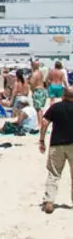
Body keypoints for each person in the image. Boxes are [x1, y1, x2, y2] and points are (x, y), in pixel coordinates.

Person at [40, 84, 73, 214]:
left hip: (57, 144)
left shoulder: (55, 107)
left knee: (54, 173)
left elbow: (44, 122)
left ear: (63, 95)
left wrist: (42, 140)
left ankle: (49, 200)